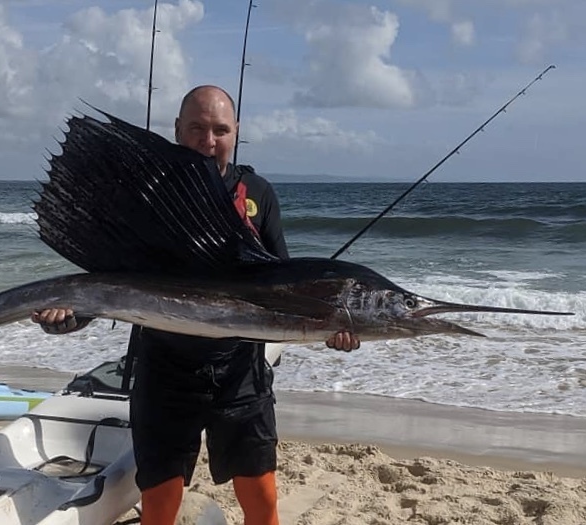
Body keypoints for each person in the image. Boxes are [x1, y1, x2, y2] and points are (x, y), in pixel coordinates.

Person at [33, 85, 359, 525]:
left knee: (262, 499)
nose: (209, 141)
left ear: (236, 131)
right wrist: (67, 318)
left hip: (241, 372)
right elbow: (114, 285)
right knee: (159, 503)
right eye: (197, 129)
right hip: (164, 372)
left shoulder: (258, 194)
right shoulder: (149, 197)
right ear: (177, 130)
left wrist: (332, 325)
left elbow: (284, 289)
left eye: (220, 130)